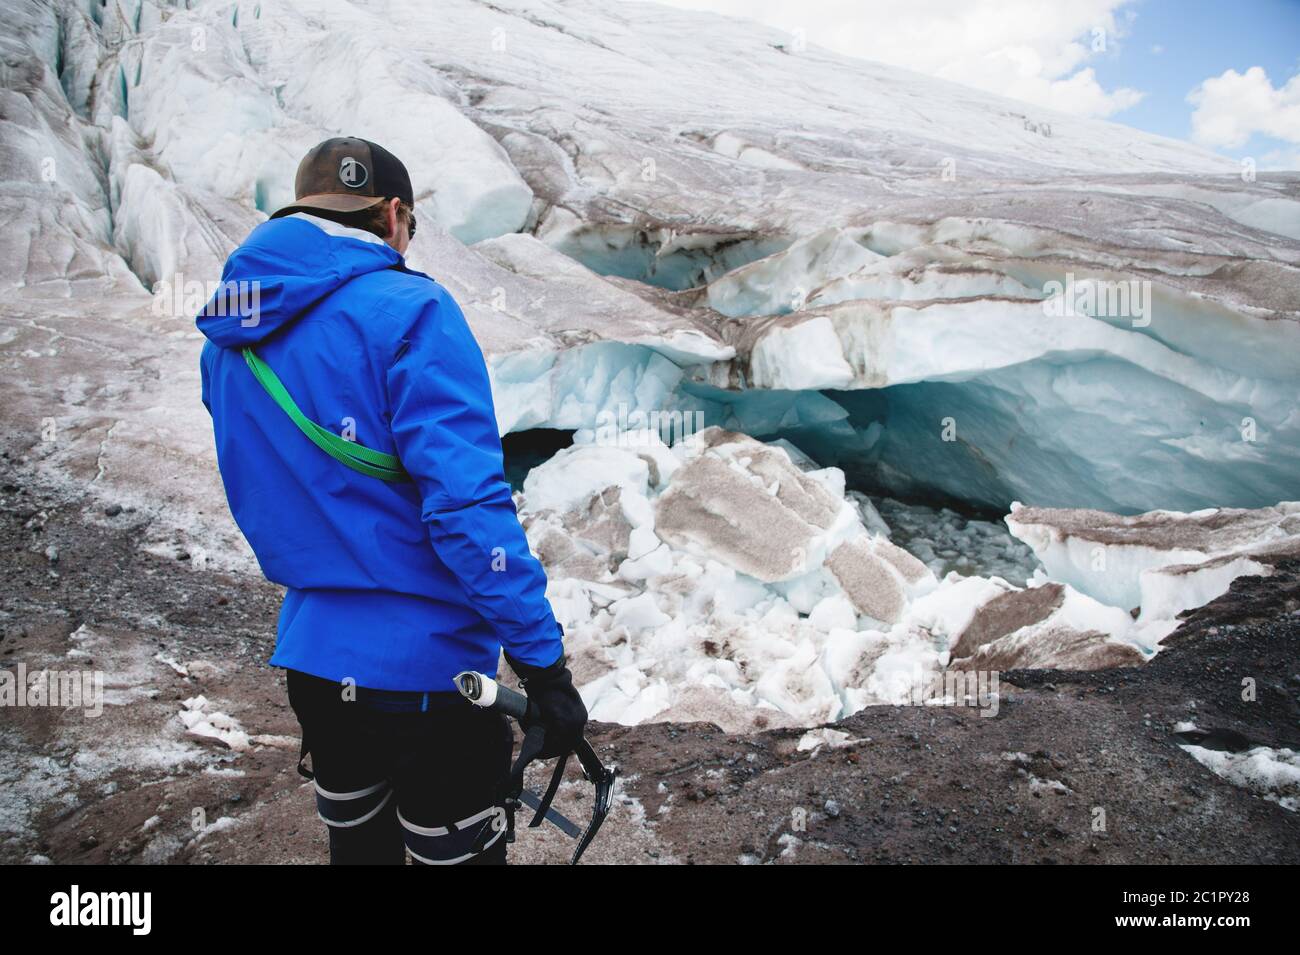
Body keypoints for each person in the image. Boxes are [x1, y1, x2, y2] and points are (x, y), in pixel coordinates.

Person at [197, 136, 587, 865]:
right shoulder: (415, 311)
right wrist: (545, 670)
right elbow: (468, 511)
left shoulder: (228, 341)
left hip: (314, 667)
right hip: (429, 681)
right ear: (395, 215)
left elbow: (267, 487)